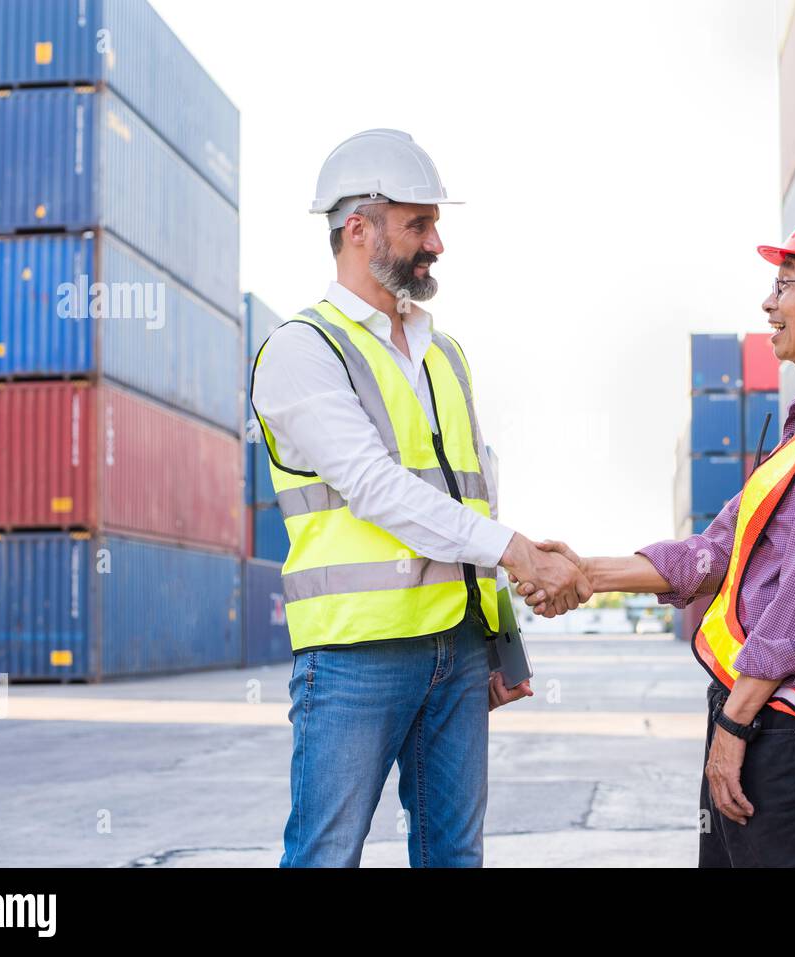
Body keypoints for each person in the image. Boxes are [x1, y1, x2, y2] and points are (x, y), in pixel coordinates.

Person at [518, 205, 795, 867]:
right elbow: (713, 550)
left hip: (794, 727)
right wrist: (587, 571)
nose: (768, 303)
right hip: (763, 715)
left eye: (786, 284)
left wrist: (736, 721)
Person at [251, 129, 590, 868]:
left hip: (461, 650)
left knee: (454, 856)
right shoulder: (304, 350)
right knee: (325, 854)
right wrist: (520, 553)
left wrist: (501, 636)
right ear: (358, 228)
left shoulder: (445, 354)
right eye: (419, 224)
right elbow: (375, 488)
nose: (437, 242)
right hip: (355, 657)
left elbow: (476, 496)